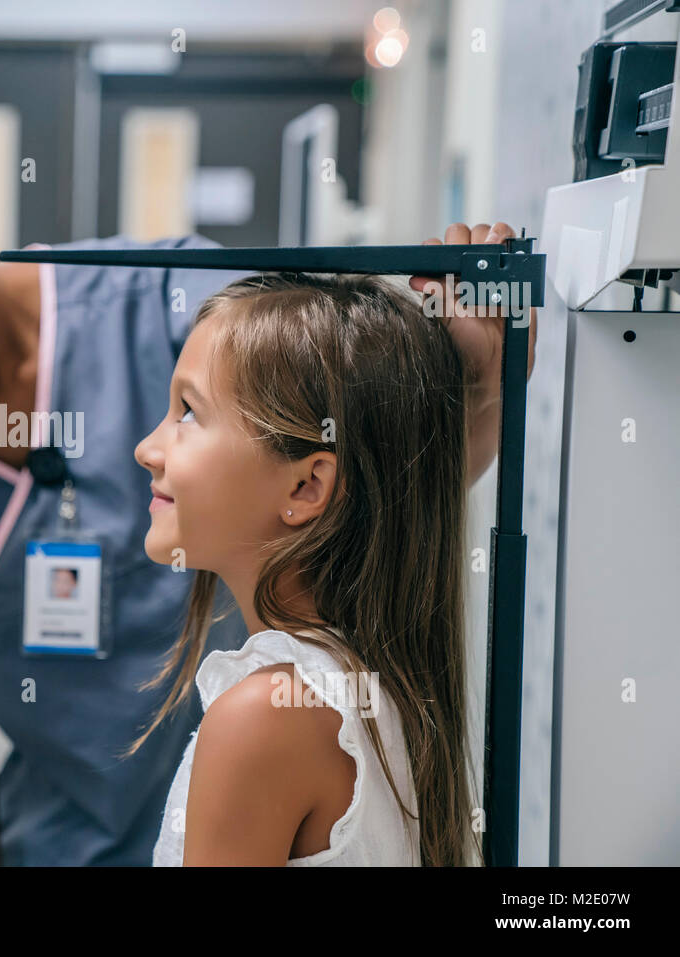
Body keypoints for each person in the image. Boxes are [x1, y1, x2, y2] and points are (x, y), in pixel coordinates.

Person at [0, 103, 532, 865]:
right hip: (64, 840)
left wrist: (480, 392)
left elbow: (374, 495)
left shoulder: (173, 303)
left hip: (283, 805)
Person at [140, 271, 532, 866]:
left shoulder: (266, 717)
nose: (149, 447)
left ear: (306, 485)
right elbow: (395, 502)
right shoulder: (366, 682)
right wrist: (478, 394)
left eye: (188, 413)